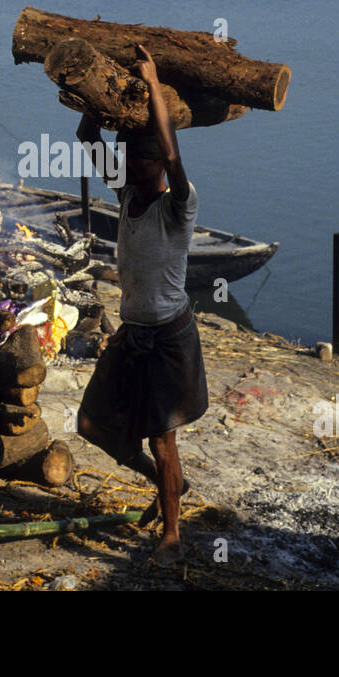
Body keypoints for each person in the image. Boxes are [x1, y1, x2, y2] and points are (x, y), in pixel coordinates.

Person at [75, 46, 206, 567]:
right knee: (91, 425)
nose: (130, 164)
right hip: (132, 333)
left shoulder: (180, 205)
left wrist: (152, 84)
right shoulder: (128, 194)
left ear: (157, 164)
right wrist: (97, 87)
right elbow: (87, 138)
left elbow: (175, 159)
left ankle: (172, 538)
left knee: (162, 441)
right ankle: (169, 485)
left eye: (140, 158)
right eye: (129, 158)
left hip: (169, 338)